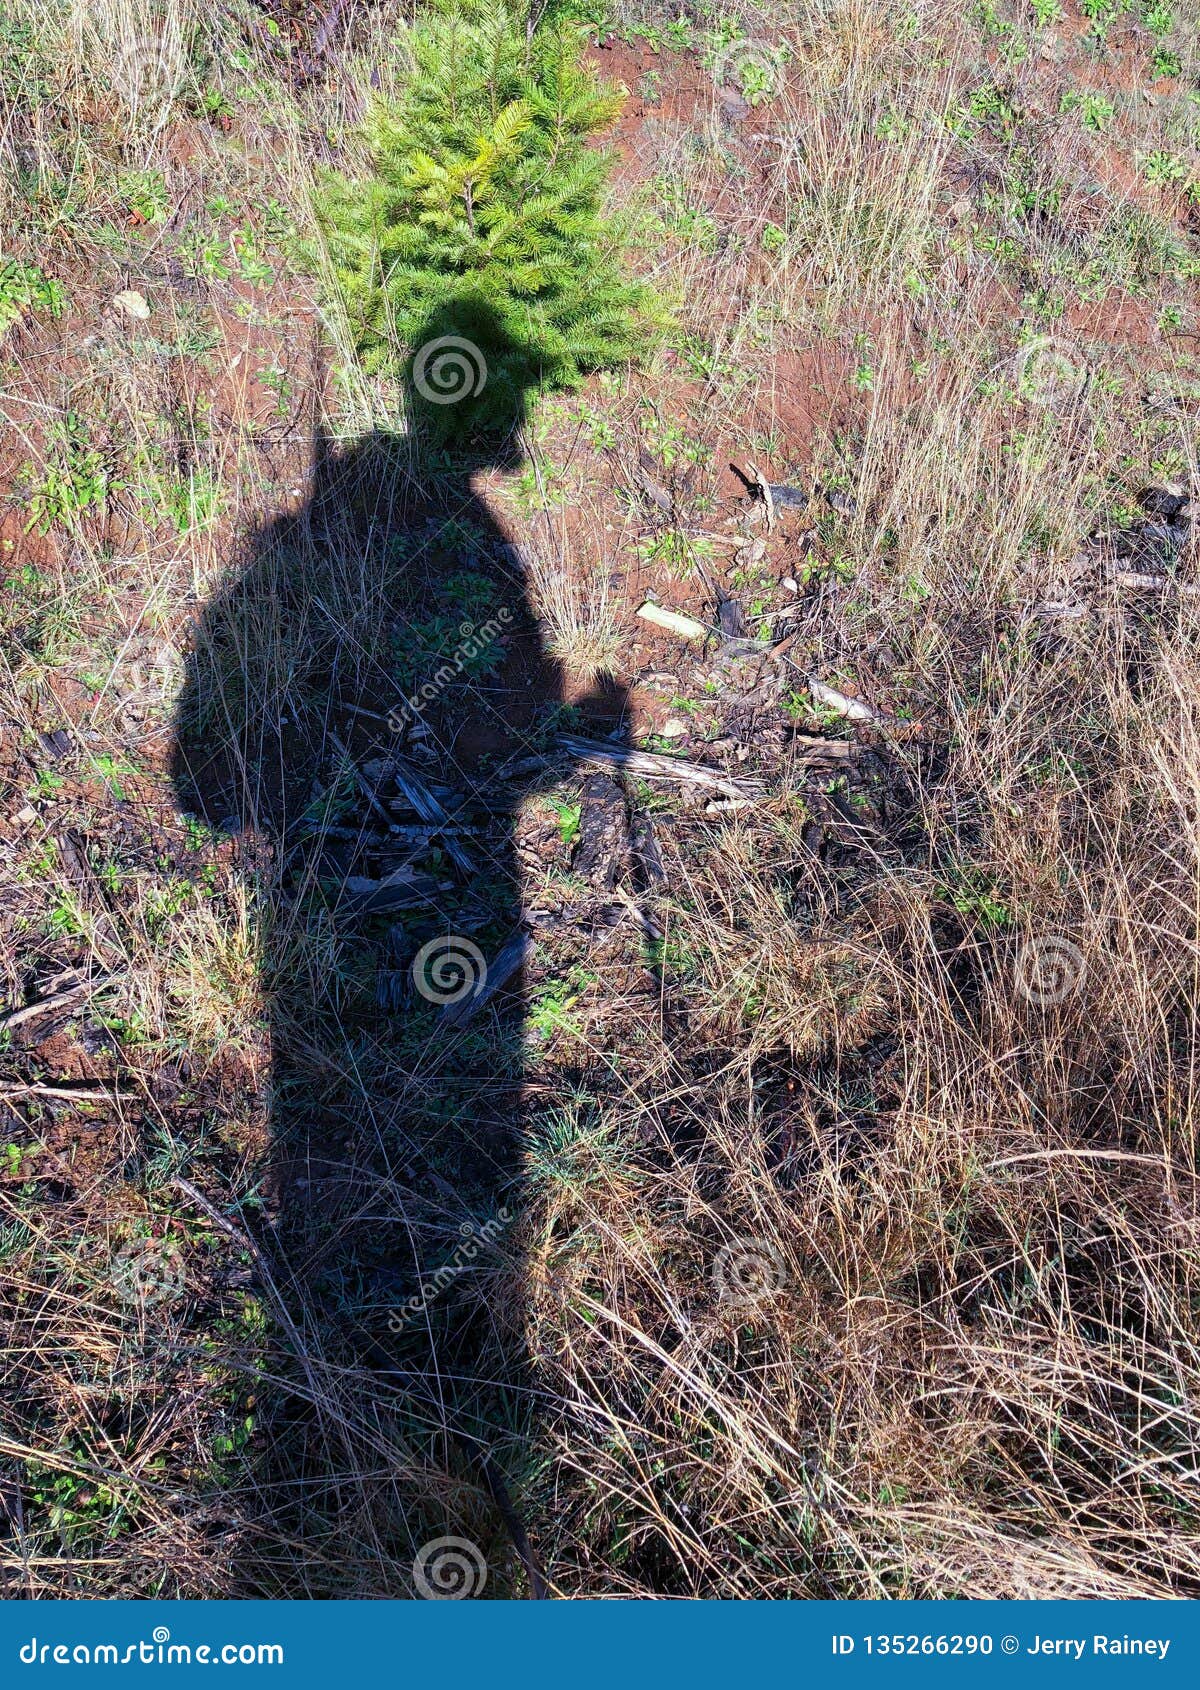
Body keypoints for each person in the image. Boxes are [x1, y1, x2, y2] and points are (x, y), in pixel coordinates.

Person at [171, 306, 629, 1595]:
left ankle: (352, 1437)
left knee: (372, 1133)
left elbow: (208, 782)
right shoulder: (376, 555)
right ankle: (372, 1428)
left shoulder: (322, 556)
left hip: (351, 943)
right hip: (375, 949)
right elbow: (207, 778)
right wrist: (566, 736)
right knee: (392, 1134)